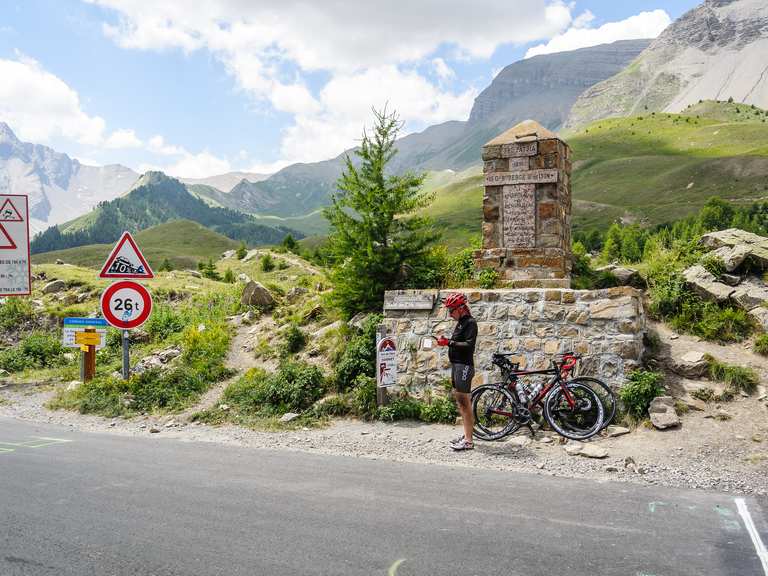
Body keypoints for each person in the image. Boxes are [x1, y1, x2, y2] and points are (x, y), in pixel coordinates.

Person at [437, 293, 477, 451]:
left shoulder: (470, 323)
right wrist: (447, 342)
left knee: (464, 403)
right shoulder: (461, 322)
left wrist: (449, 342)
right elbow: (457, 342)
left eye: (451, 310)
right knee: (461, 402)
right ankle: (467, 435)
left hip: (464, 366)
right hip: (457, 365)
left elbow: (469, 345)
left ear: (461, 309)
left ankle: (468, 441)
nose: (450, 314)